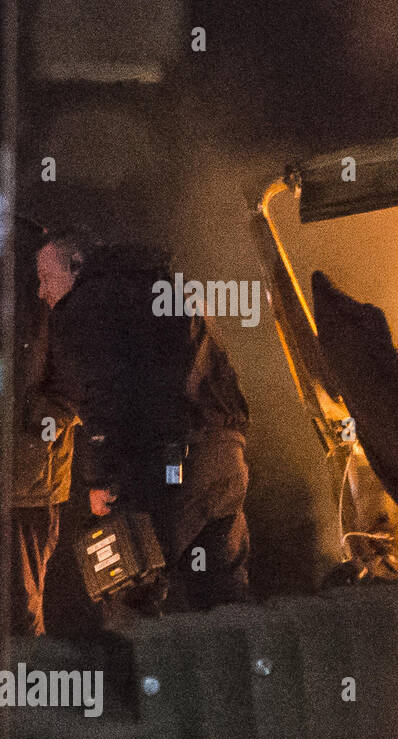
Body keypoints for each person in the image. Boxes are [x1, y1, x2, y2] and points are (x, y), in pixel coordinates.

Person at [45, 233, 252, 617]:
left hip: (171, 468)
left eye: (45, 276)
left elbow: (103, 399)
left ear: (75, 265)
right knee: (224, 596)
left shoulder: (86, 308)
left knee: (127, 591)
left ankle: (146, 677)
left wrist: (100, 480)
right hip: (225, 454)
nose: (42, 292)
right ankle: (253, 673)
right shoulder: (167, 287)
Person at [8, 219, 81, 639]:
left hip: (29, 487)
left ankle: (27, 698)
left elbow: (74, 393)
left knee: (20, 608)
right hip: (25, 482)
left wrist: (23, 416)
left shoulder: (46, 288)